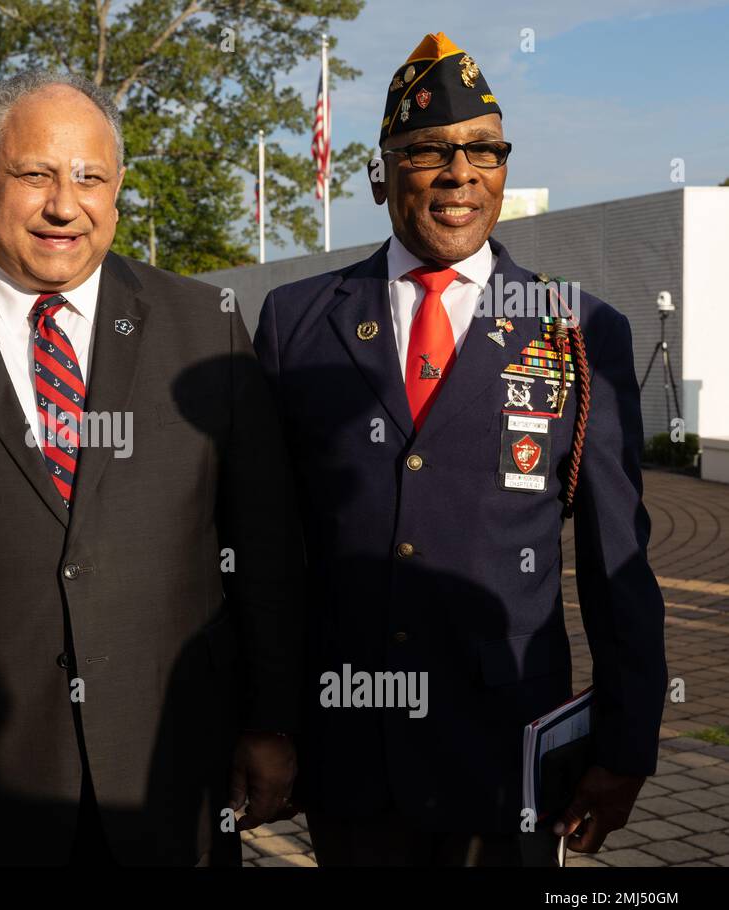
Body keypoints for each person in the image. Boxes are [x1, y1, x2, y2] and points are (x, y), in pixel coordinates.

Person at [0, 70, 303, 866]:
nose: (64, 204)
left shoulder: (206, 329)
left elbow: (264, 550)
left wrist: (271, 721)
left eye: (90, 178)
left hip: (169, 776)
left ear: (117, 188)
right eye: (35, 174)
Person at [254, 32, 666, 866]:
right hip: (350, 750)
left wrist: (627, 745)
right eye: (428, 151)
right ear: (382, 170)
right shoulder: (296, 322)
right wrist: (267, 719)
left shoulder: (578, 329)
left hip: (505, 753)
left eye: (484, 150)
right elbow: (268, 548)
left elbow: (618, 555)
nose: (459, 173)